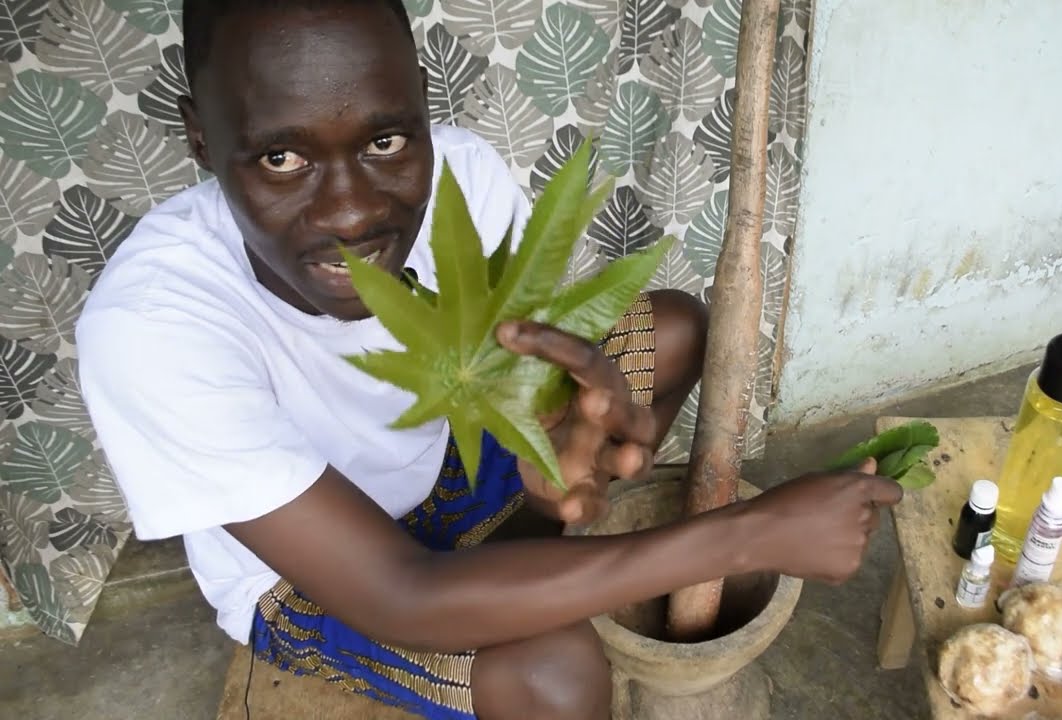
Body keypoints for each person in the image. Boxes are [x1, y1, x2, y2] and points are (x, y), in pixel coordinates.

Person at [75, 1, 904, 718]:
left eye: (388, 139)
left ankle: (529, 560)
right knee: (554, 670)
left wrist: (550, 444)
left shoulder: (464, 175)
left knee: (675, 329)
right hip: (314, 573)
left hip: (453, 465)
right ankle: (519, 589)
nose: (352, 210)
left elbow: (522, 384)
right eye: (281, 158)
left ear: (422, 107)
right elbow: (398, 595)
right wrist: (748, 537)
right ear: (198, 136)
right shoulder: (150, 324)